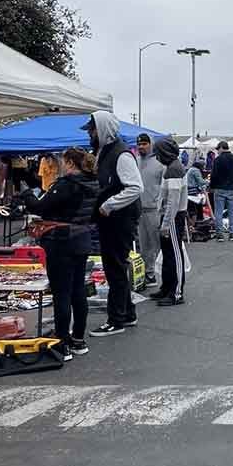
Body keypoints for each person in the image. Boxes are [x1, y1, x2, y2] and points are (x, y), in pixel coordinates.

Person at [19, 148, 99, 360]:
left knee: (62, 293)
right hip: (81, 238)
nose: (62, 165)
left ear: (70, 163)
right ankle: (79, 339)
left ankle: (62, 342)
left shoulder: (67, 185)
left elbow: (40, 207)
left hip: (62, 241)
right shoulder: (92, 182)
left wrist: (27, 193)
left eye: (64, 161)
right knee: (77, 290)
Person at [82, 111, 143, 337]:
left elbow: (135, 187)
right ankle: (127, 313)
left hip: (120, 220)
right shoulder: (104, 151)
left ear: (102, 129)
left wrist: (109, 205)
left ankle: (116, 320)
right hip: (112, 219)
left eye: (92, 129)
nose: (90, 133)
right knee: (116, 267)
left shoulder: (120, 154)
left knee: (115, 268)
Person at [151, 138, 188, 305]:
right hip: (170, 216)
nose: (157, 157)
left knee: (174, 254)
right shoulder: (172, 167)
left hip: (173, 217)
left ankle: (176, 293)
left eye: (158, 154)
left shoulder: (174, 170)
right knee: (168, 254)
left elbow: (172, 202)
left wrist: (165, 223)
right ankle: (167, 287)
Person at [136, 133, 165, 285]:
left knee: (158, 244)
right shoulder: (135, 161)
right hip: (140, 209)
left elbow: (164, 186)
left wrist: (161, 205)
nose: (141, 147)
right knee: (144, 244)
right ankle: (149, 274)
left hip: (154, 209)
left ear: (151, 144)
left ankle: (164, 275)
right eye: (139, 144)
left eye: (144, 144)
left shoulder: (159, 162)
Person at [210, 140, 233, 241]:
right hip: (232, 189)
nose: (217, 152)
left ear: (221, 148)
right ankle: (232, 234)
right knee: (232, 212)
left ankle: (219, 234)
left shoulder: (217, 160)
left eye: (218, 150)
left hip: (219, 189)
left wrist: (212, 186)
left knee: (218, 212)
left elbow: (214, 175)